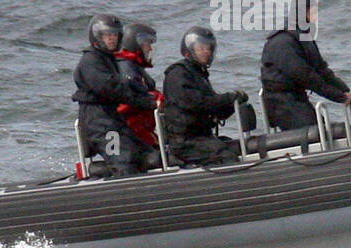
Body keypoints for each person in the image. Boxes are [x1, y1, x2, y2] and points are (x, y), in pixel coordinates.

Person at [72, 13, 161, 176]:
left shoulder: (108, 59)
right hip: (98, 122)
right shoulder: (91, 60)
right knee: (124, 161)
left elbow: (121, 88)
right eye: (107, 35)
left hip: (112, 119)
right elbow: (111, 89)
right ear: (97, 36)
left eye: (114, 35)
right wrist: (146, 102)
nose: (111, 39)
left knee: (148, 155)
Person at [259, 0, 351, 131]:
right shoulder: (283, 42)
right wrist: (338, 97)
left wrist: (344, 90)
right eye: (313, 12)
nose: (316, 17)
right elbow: (306, 76)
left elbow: (321, 69)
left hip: (298, 100)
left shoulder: (303, 37)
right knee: (324, 132)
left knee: (328, 130)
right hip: (282, 105)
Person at [162, 26, 244, 166]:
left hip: (201, 137)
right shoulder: (177, 74)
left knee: (236, 147)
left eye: (208, 48)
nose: (206, 52)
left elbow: (213, 108)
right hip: (185, 141)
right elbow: (196, 103)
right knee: (225, 156)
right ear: (190, 49)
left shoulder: (198, 74)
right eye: (201, 48)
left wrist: (232, 103)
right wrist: (227, 98)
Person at [115, 22, 163, 152]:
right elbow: (132, 98)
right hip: (133, 133)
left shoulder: (132, 66)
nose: (150, 49)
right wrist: (157, 99)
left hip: (140, 130)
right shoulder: (127, 68)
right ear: (137, 43)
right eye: (147, 44)